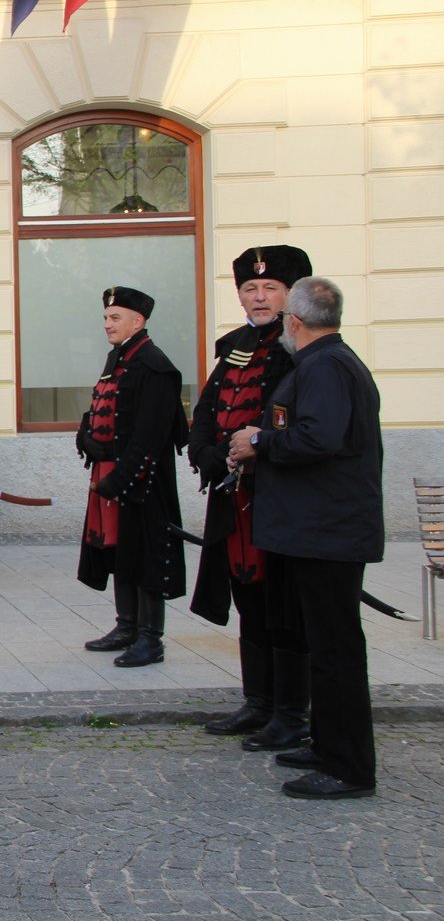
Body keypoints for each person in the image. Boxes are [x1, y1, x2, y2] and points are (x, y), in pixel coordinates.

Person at [228, 276, 382, 800]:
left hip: (328, 532)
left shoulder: (326, 366)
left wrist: (259, 440)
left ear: (294, 322)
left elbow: (319, 436)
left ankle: (349, 766)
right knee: (323, 648)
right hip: (315, 530)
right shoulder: (325, 363)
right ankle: (326, 743)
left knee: (337, 653)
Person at [189, 246, 313, 750]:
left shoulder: (298, 349)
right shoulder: (235, 344)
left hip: (276, 496)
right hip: (233, 497)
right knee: (247, 597)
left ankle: (291, 713)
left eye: (269, 289)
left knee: (283, 603)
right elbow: (207, 405)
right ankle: (258, 701)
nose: (258, 297)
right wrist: (204, 450)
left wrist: (246, 452)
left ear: (290, 294)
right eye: (249, 288)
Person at [76, 286, 188, 668]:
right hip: (114, 472)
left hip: (143, 481)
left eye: (115, 318)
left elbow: (150, 434)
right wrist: (86, 434)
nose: (107, 324)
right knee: (120, 551)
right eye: (106, 317)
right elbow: (104, 404)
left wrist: (121, 478)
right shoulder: (119, 357)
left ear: (138, 321)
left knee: (146, 558)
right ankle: (126, 626)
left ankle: (149, 639)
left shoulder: (153, 364)